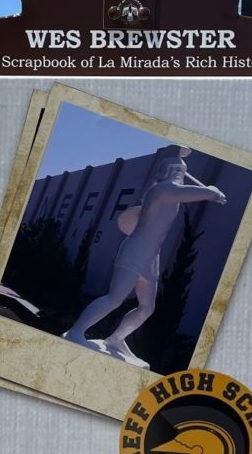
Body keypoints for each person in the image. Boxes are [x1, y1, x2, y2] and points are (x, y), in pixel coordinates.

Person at [62, 145, 226, 368]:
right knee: (115, 298)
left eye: (182, 170)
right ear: (165, 171)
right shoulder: (161, 191)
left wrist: (209, 192)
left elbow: (184, 193)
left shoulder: (171, 193)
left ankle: (116, 339)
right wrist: (211, 191)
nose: (179, 172)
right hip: (136, 250)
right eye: (176, 169)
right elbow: (187, 193)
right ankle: (76, 332)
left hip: (151, 256)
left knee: (147, 307)